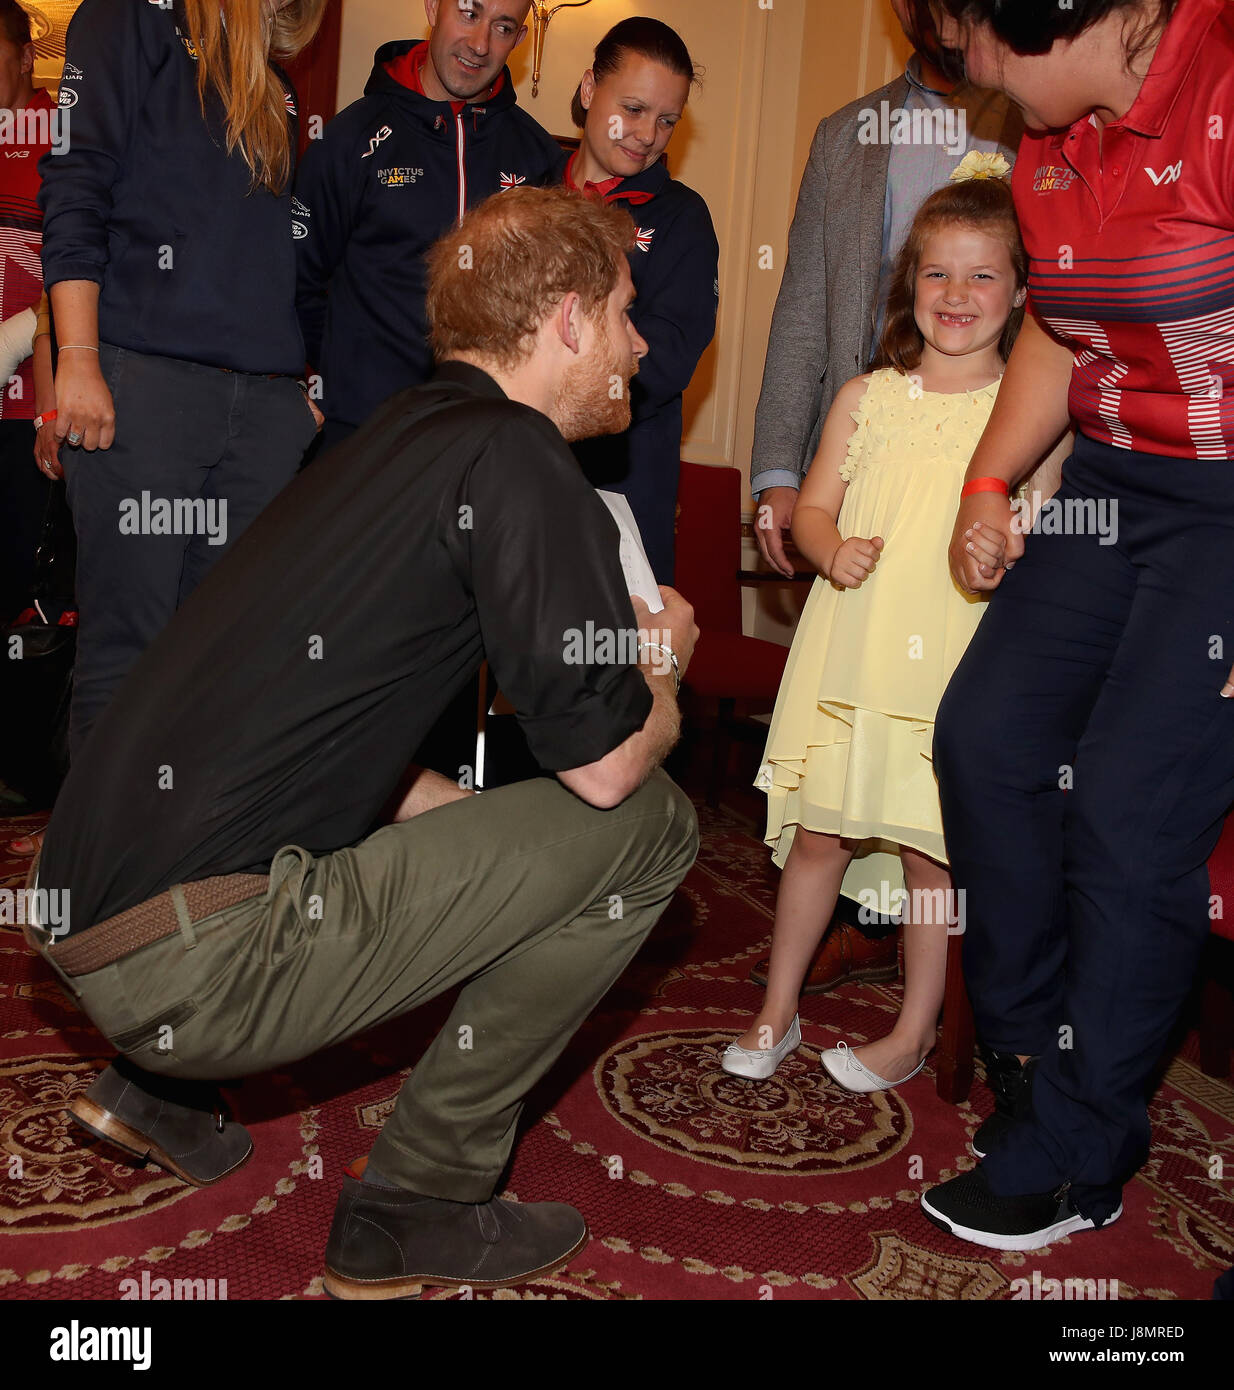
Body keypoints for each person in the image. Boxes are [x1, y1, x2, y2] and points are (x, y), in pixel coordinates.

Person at [26, 186, 700, 1298]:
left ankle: (158, 1092)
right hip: (187, 964)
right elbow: (610, 765)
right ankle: (418, 1201)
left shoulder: (385, 438)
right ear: (570, 320)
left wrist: (487, 847)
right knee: (647, 827)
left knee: (477, 823)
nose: (639, 344)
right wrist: (659, 661)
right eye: (627, 314)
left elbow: (323, 733)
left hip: (80, 898)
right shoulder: (522, 462)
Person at [921, 0, 1234, 1252]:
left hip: (1226, 509)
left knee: (1123, 808)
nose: (966, 74)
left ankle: (1086, 1145)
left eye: (969, 41)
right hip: (1113, 483)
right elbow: (1059, 321)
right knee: (984, 742)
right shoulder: (1046, 140)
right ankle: (1035, 1067)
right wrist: (988, 483)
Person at [723, 168, 1061, 1091]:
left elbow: (1041, 521)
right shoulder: (866, 398)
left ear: (1023, 290)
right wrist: (829, 549)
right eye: (938, 275)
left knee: (929, 850)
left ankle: (913, 1031)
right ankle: (777, 1006)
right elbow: (815, 508)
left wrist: (1014, 542)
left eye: (983, 276)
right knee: (818, 836)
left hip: (950, 660)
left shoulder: (1031, 414)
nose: (957, 296)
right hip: (853, 652)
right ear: (910, 285)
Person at [744, 0, 1023, 996]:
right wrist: (781, 478)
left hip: (989, 442)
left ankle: (919, 972)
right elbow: (803, 315)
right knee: (843, 741)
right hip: (861, 451)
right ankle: (849, 932)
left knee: (934, 783)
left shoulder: (1035, 116)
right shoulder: (844, 134)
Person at [37, 0, 327, 771]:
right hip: (144, 391)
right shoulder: (123, 19)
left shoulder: (274, 73)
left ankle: (185, 889)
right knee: (126, 663)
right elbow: (76, 185)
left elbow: (282, 249)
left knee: (219, 673)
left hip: (262, 412)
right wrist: (77, 357)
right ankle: (94, 887)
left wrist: (295, 390)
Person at [295, 0, 565, 449]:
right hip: (361, 436)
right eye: (468, 13)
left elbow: (544, 310)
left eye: (502, 28)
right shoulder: (348, 137)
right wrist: (352, 371)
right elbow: (299, 282)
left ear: (520, 40)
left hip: (483, 442)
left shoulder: (538, 158)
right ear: (433, 6)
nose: (479, 44)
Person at [567, 17, 718, 585]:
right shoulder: (525, 192)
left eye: (666, 120)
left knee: (615, 663)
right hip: (511, 473)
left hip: (621, 485)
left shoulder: (683, 218)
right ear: (588, 90)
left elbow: (664, 362)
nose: (648, 134)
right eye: (633, 109)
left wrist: (546, 396)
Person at [0, 0, 58, 628]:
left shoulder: (63, 142)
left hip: (26, 409)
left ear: (26, 58)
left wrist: (13, 341)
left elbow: (90, 269)